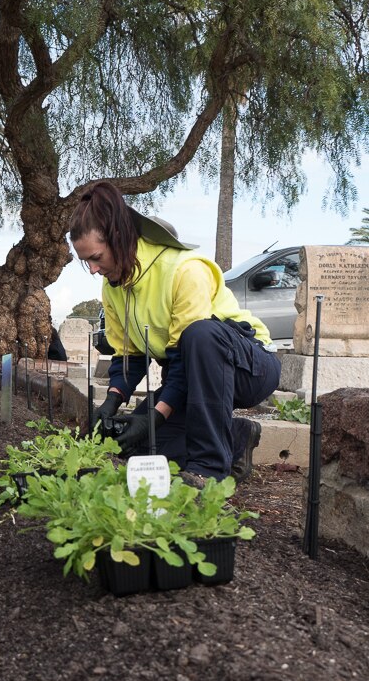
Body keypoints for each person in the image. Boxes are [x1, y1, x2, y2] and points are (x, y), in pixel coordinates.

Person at [70, 181, 275, 486]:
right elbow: (130, 356)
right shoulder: (113, 287)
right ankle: (235, 438)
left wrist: (156, 415)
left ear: (119, 238)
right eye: (85, 261)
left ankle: (209, 469)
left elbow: (190, 353)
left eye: (96, 257)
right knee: (137, 449)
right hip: (193, 378)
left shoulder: (184, 270)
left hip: (247, 366)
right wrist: (111, 402)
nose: (93, 270)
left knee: (200, 334)